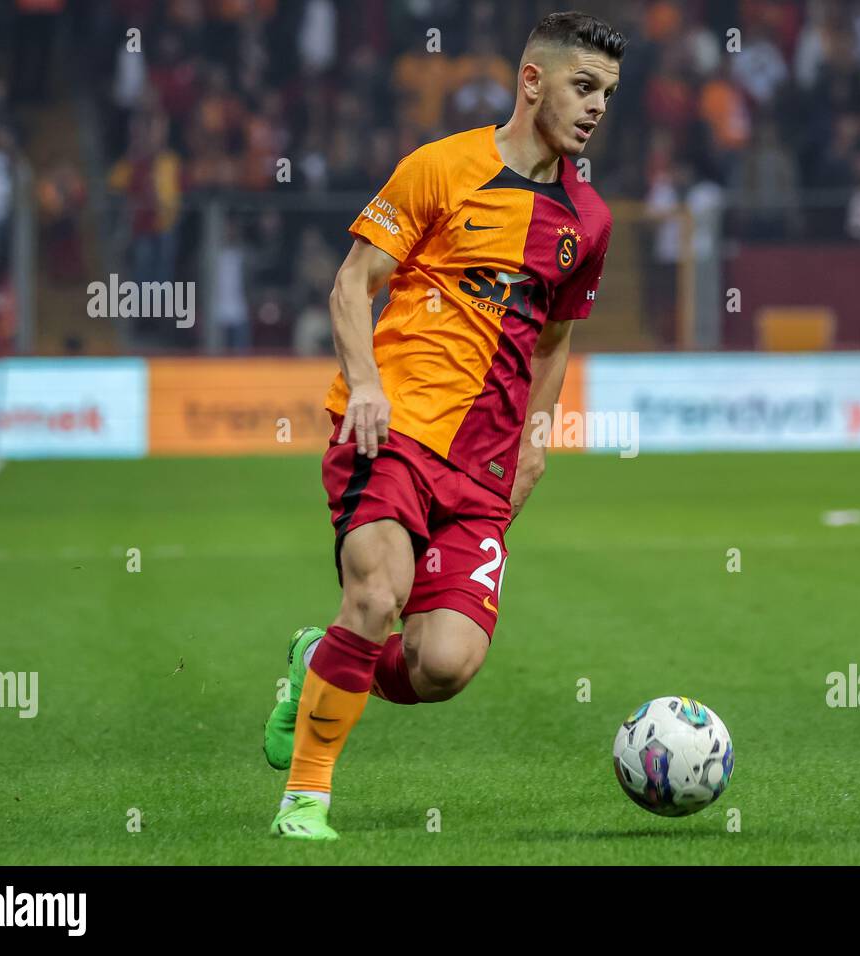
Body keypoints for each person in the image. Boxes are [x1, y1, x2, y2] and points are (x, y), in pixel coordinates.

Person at [261, 11, 624, 841]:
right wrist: (363, 386)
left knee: (444, 665)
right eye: (583, 86)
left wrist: (536, 447)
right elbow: (353, 284)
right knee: (376, 592)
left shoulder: (589, 222)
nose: (597, 106)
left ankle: (317, 662)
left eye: (606, 93)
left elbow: (555, 341)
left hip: (486, 469)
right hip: (395, 433)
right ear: (531, 81)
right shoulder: (439, 168)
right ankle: (305, 800)